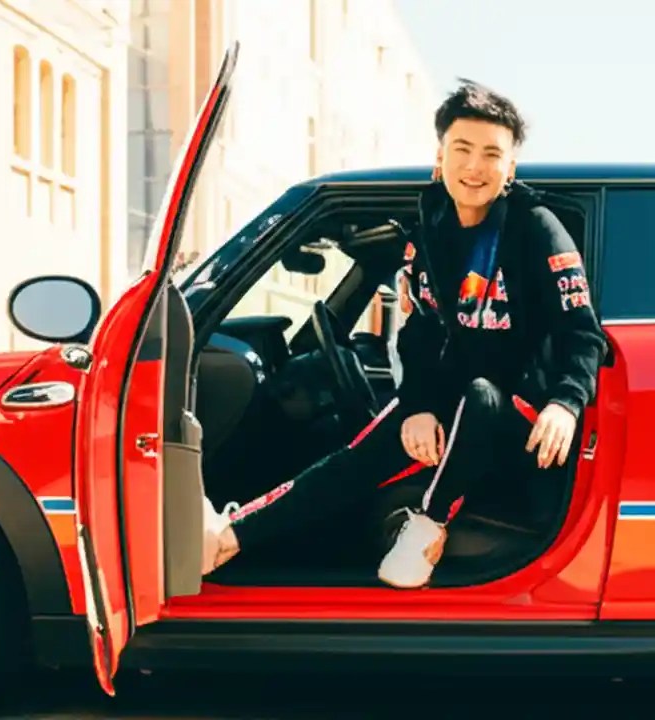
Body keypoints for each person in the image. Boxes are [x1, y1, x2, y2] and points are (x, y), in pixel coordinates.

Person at [202, 79, 608, 589]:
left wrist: (566, 403)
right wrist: (417, 405)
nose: (475, 166)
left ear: (510, 169)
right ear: (441, 156)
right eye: (462, 149)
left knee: (481, 399)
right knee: (360, 457)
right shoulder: (430, 227)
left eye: (491, 154)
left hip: (522, 413)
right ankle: (232, 537)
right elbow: (422, 330)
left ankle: (428, 523)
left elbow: (583, 332)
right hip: (454, 397)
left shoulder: (536, 228)